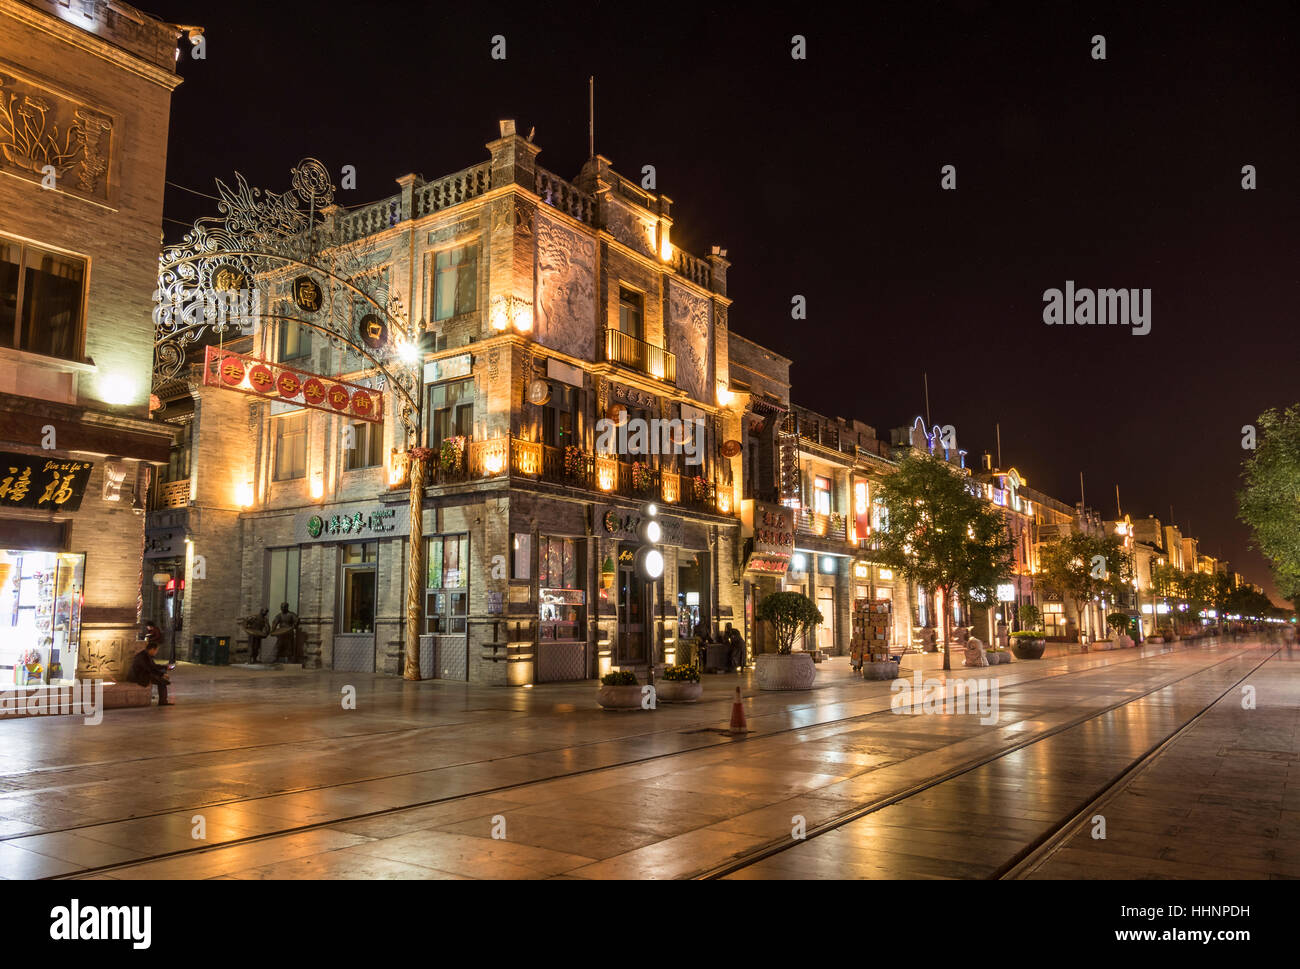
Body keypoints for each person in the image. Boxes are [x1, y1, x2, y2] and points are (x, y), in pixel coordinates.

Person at [128, 636, 173, 705]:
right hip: (138, 676)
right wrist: (162, 674)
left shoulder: (146, 655)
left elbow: (153, 666)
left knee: (162, 675)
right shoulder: (143, 656)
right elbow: (150, 669)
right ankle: (163, 701)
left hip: (143, 674)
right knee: (162, 681)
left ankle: (163, 700)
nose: (156, 652)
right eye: (156, 650)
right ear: (152, 649)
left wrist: (165, 667)